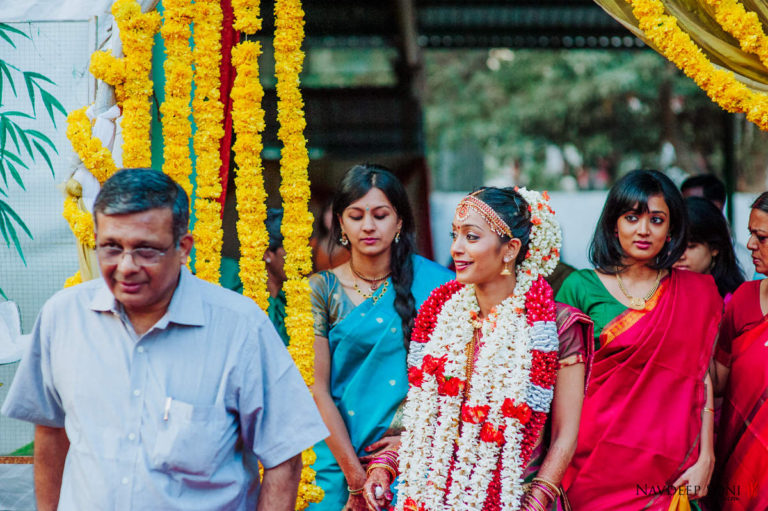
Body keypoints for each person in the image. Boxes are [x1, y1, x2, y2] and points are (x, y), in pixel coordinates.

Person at [1, 168, 328, 510]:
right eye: (111, 247)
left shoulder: (241, 328)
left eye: (145, 250)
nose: (126, 265)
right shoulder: (63, 317)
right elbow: (50, 433)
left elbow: (285, 458)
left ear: (183, 248)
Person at [365, 187, 592, 511]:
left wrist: (536, 499)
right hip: (444, 496)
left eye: (471, 237)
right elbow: (428, 420)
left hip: (519, 496)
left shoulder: (556, 325)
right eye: (454, 235)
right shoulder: (443, 319)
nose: (456, 248)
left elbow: (565, 436)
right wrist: (386, 463)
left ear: (511, 248)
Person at [557, 169, 722, 510]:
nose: (644, 230)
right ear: (613, 224)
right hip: (592, 463)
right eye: (632, 217)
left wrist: (706, 456)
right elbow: (560, 384)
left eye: (657, 220)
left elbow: (700, 377)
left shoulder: (695, 292)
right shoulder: (580, 286)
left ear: (672, 228)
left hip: (671, 468)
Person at [308, 164, 453, 510]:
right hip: (335, 455)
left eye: (380, 215)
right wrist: (355, 480)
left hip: (415, 456)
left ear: (399, 222)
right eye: (356, 216)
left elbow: (456, 382)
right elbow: (316, 389)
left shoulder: (440, 286)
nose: (368, 226)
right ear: (340, 223)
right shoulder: (320, 289)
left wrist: (413, 441)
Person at [712, 191, 768, 510]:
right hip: (739, 470)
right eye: (750, 234)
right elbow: (717, 383)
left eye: (761, 237)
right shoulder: (743, 300)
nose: (750, 245)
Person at [674, 197, 744, 302]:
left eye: (691, 246)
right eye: (674, 247)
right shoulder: (657, 294)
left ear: (714, 248)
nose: (680, 256)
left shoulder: (733, 302)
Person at [311, 197, 350, 272]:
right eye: (329, 211)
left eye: (336, 212)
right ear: (323, 215)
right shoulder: (312, 245)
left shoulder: (353, 246)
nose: (333, 217)